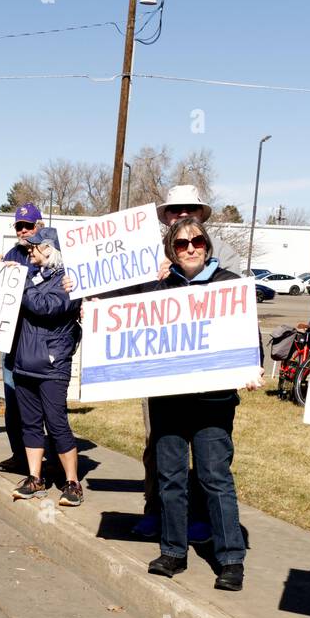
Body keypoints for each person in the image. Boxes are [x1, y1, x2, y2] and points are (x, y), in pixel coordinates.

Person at [146, 218, 262, 591]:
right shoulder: (159, 287)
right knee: (171, 477)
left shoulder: (228, 284)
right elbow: (127, 324)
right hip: (168, 398)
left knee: (215, 477)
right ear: (171, 251)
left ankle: (230, 559)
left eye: (197, 241)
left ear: (207, 245)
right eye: (181, 244)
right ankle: (173, 551)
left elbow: (249, 338)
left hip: (214, 400)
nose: (191, 247)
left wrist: (252, 367)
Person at [132, 185, 223, 543]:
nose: (180, 215)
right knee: (159, 445)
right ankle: (156, 511)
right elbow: (126, 303)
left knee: (205, 450)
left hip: (206, 373)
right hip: (160, 370)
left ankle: (199, 517)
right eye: (173, 210)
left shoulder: (219, 252)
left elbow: (235, 300)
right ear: (165, 217)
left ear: (201, 214)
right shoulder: (145, 256)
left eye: (189, 208)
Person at [7, 232, 84, 506]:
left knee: (56, 423)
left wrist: (21, 281)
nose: (29, 252)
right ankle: (34, 477)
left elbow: (45, 307)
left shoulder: (70, 282)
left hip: (52, 365)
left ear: (49, 250)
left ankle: (72, 482)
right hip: (25, 361)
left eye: (34, 248)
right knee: (29, 423)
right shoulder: (38, 276)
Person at [0, 203, 61, 474]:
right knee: (13, 405)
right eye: (19, 226)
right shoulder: (11, 254)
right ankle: (19, 455)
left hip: (42, 344)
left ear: (39, 226)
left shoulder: (51, 252)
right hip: (12, 342)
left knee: (49, 409)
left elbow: (55, 290)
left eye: (28, 226)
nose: (23, 231)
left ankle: (58, 460)